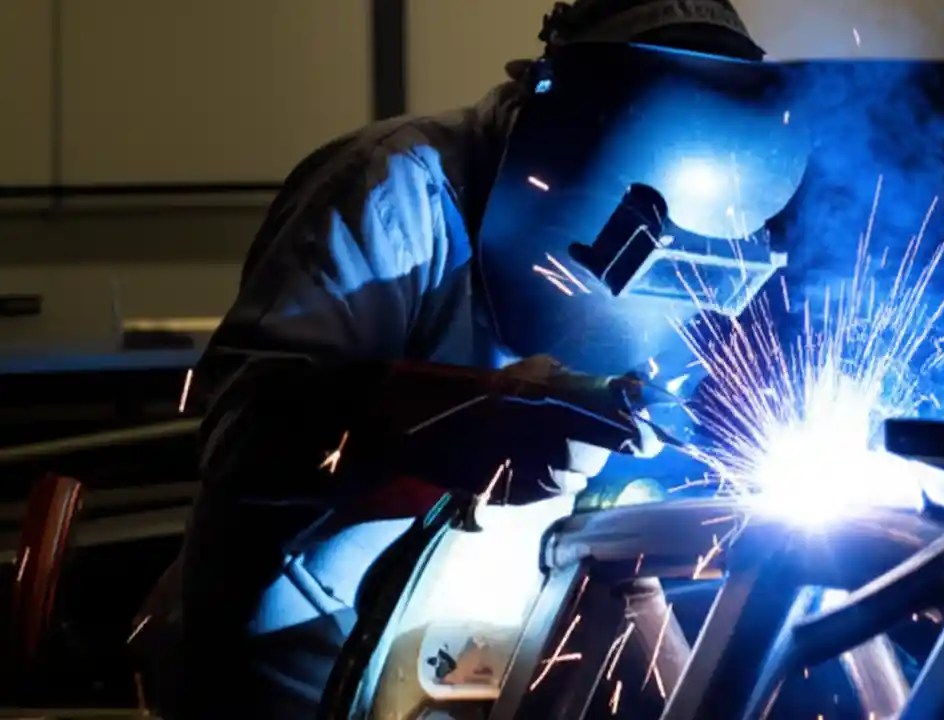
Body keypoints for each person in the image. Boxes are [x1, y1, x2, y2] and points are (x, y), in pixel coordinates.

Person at [154, 2, 767, 717]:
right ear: (559, 92)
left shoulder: (701, 214)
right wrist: (467, 420)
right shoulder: (392, 187)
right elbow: (246, 425)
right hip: (301, 657)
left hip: (498, 642)